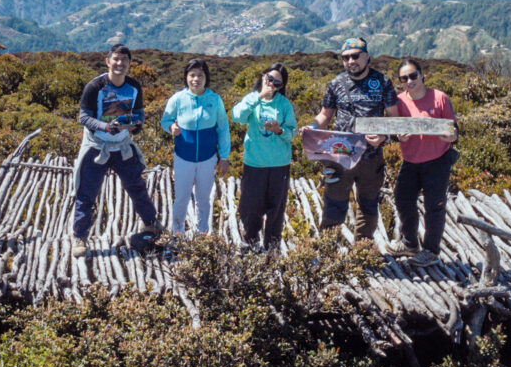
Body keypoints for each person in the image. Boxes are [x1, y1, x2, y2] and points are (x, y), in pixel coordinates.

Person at [302, 37, 398, 241]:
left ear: (367, 57)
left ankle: (362, 251)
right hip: (340, 154)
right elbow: (325, 115)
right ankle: (329, 251)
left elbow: (393, 118)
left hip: (371, 157)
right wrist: (312, 128)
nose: (350, 61)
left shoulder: (382, 82)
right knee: (334, 204)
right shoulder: (336, 83)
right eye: (345, 57)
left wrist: (383, 137)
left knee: (369, 205)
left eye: (355, 56)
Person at [71, 43, 163, 258]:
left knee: (136, 186)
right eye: (116, 59)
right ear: (108, 61)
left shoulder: (133, 87)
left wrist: (136, 124)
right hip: (97, 146)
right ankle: (79, 237)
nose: (119, 63)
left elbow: (139, 112)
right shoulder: (95, 87)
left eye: (124, 60)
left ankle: (151, 224)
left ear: (130, 64)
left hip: (122, 145)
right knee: (87, 192)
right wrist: (106, 127)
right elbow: (83, 117)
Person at [388, 58, 459, 267]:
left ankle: (431, 250)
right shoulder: (399, 101)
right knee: (402, 199)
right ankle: (410, 243)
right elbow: (393, 129)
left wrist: (451, 136)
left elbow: (453, 128)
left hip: (437, 160)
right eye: (404, 78)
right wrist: (398, 136)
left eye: (413, 76)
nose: (409, 81)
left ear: (421, 75)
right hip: (410, 159)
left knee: (434, 206)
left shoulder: (440, 98)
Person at [160, 58, 231, 236]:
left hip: (208, 158)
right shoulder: (178, 99)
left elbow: (222, 128)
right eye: (192, 75)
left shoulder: (215, 100)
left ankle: (201, 234)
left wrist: (224, 157)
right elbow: (166, 119)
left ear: (206, 77)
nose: (196, 79)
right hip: (183, 157)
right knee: (182, 198)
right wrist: (171, 127)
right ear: (186, 77)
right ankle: (177, 232)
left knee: (203, 199)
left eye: (200, 75)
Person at [231, 63, 296, 251]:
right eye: (269, 79)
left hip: (279, 164)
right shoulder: (252, 99)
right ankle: (250, 243)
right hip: (254, 163)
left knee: (276, 210)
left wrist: (279, 130)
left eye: (277, 83)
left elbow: (292, 133)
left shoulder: (284, 104)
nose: (272, 85)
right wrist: (259, 96)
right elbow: (237, 116)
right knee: (251, 207)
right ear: (262, 77)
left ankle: (272, 249)